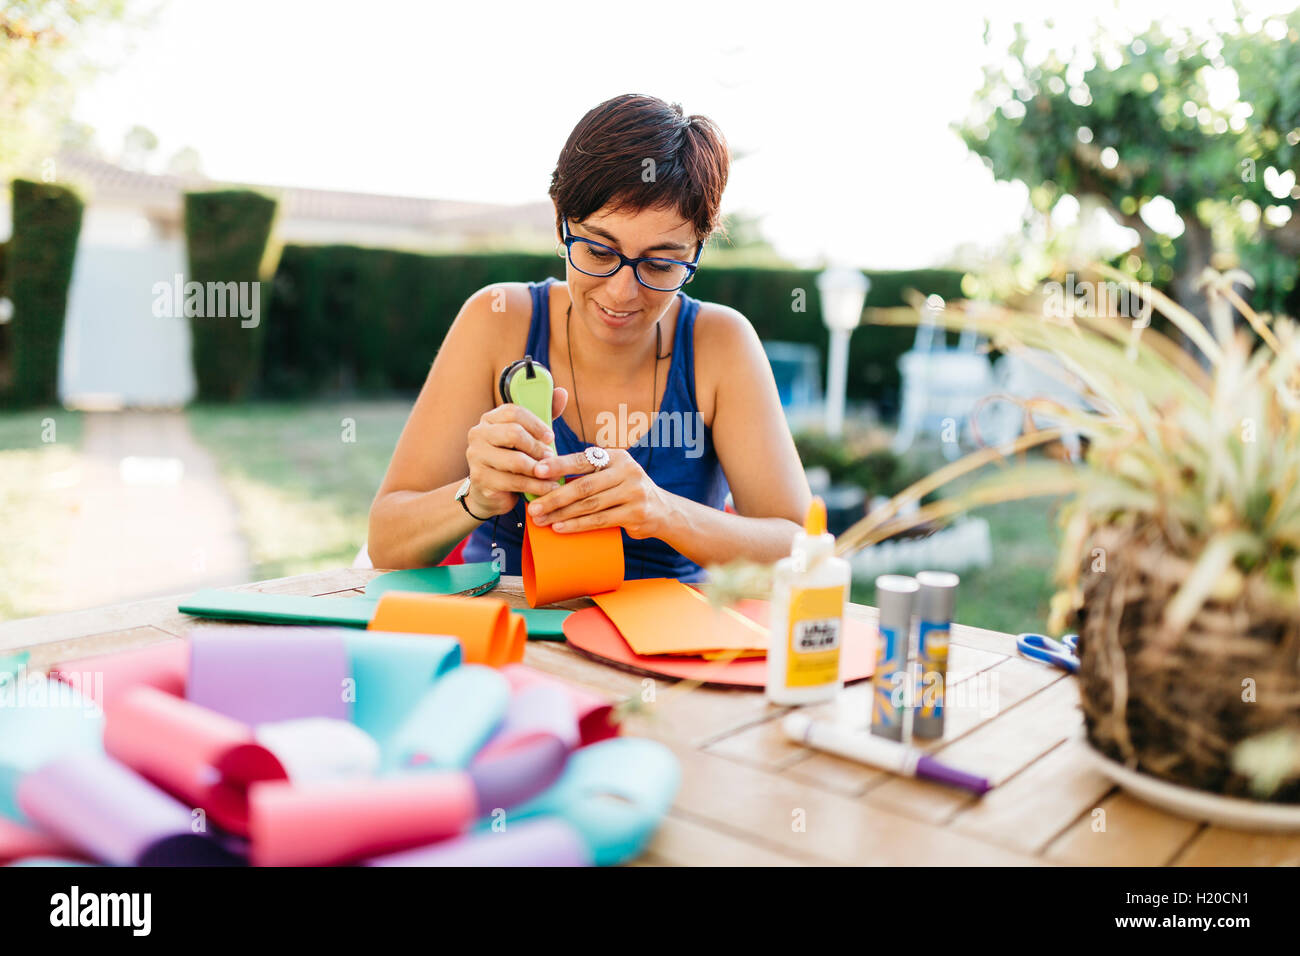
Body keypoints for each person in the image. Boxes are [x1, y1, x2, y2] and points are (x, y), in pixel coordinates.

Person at [368, 93, 810, 580]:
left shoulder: (720, 343)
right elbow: (387, 544)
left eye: (661, 263)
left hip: (666, 647)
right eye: (599, 252)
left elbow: (799, 545)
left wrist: (663, 511)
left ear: (696, 251)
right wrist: (474, 496)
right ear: (561, 223)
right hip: (507, 636)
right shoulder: (497, 319)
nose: (623, 292)